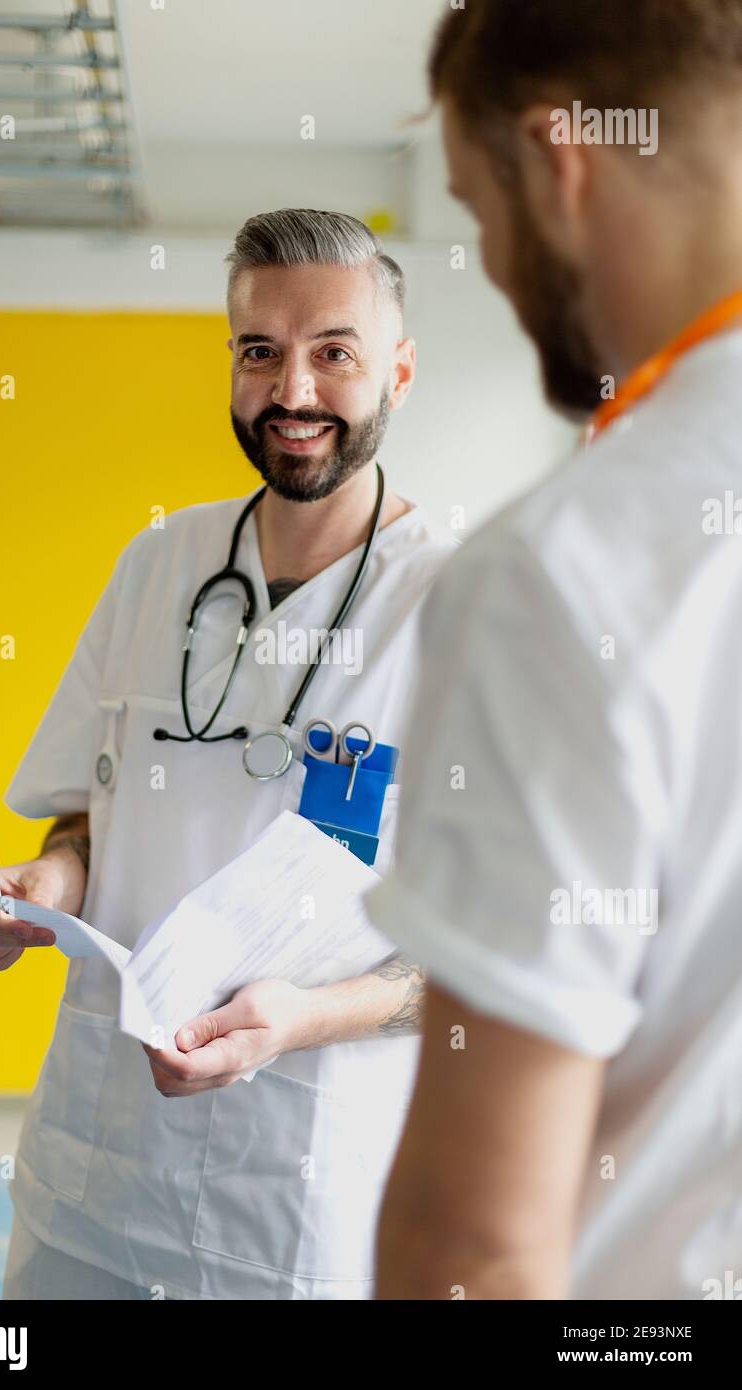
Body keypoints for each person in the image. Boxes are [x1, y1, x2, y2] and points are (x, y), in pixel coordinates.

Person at [0, 209, 453, 1300]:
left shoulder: (461, 602)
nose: (293, 392)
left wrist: (306, 1018)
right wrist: (48, 883)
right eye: (258, 351)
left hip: (297, 1193)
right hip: (95, 1166)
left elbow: (484, 940)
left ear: (399, 371)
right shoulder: (156, 563)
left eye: (334, 352)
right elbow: (87, 813)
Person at [366, 0, 742, 1300]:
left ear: (560, 160)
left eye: (478, 213)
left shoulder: (564, 567)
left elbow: (472, 1248)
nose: (495, 263)